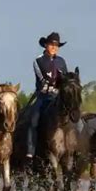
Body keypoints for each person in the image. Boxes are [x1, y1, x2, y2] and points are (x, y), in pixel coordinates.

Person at [26, 32, 68, 164]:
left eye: (57, 45)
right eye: (52, 44)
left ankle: (76, 148)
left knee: (75, 117)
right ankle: (30, 150)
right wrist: (54, 83)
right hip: (43, 96)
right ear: (46, 45)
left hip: (58, 96)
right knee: (33, 120)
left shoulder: (62, 61)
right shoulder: (38, 60)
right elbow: (43, 79)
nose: (54, 47)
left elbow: (66, 78)